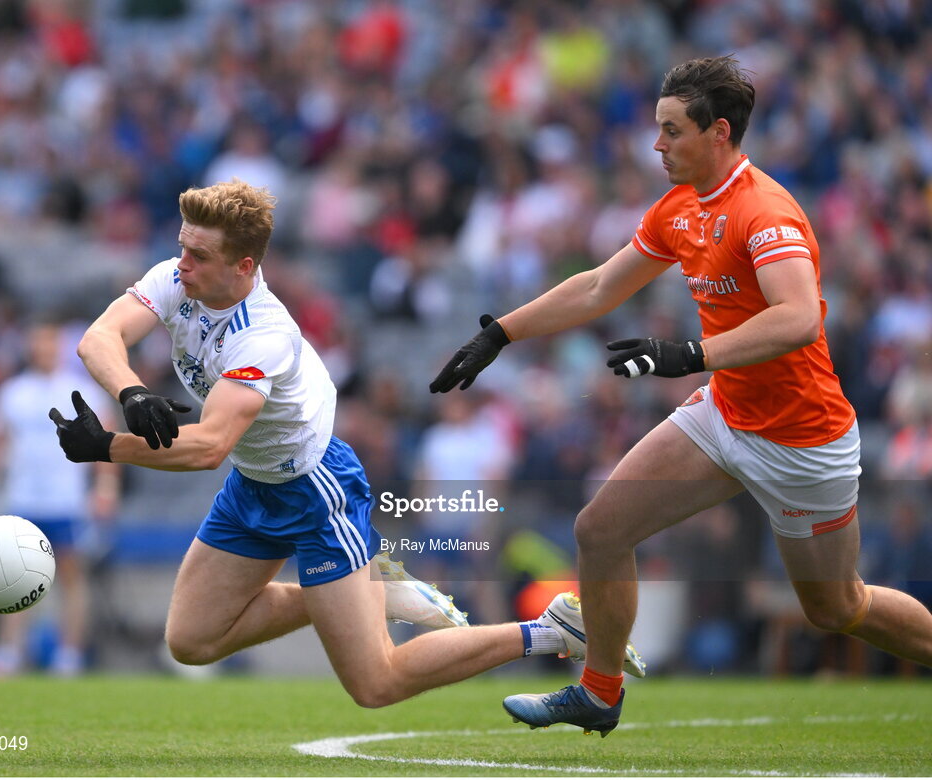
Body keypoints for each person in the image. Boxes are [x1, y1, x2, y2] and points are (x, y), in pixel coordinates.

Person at [432, 56, 932, 736]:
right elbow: (599, 286)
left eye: (671, 131)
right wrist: (502, 334)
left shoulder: (765, 211)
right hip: (726, 415)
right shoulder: (680, 207)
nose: (657, 145)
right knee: (600, 530)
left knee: (835, 607)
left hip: (801, 440)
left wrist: (687, 355)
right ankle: (600, 693)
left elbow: (799, 317)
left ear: (718, 132)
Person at [47, 178, 645, 708]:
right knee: (192, 641)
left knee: (375, 684)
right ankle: (364, 591)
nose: (181, 264)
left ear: (244, 266)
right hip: (254, 481)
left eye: (198, 255)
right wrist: (130, 393)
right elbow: (100, 336)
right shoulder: (180, 276)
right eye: (181, 247)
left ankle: (549, 631)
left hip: (314, 489)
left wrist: (107, 447)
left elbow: (207, 446)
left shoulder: (264, 337)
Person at [0, 320, 120, 675]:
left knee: (71, 577)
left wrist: (105, 488)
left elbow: (107, 443)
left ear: (59, 345)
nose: (43, 348)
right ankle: (9, 653)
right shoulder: (13, 392)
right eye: (37, 342)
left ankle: (68, 655)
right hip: (23, 497)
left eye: (49, 342)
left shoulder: (79, 391)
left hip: (65, 500)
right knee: (14, 576)